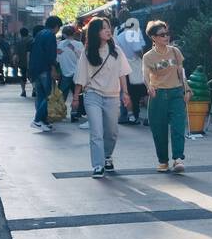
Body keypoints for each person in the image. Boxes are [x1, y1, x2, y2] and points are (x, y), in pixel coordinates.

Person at [70, 16, 131, 179]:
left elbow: (123, 73)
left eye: (108, 27)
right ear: (96, 32)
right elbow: (81, 77)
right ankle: (98, 165)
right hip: (92, 95)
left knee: (112, 132)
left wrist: (125, 93)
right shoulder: (87, 52)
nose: (108, 30)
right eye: (104, 28)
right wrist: (76, 98)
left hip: (112, 96)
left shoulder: (116, 51)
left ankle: (107, 156)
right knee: (96, 131)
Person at [142, 20, 191, 172]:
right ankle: (163, 160)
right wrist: (149, 86)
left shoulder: (175, 52)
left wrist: (187, 89)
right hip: (158, 95)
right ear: (153, 37)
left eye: (167, 33)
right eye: (162, 34)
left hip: (176, 93)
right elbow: (145, 74)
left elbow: (181, 73)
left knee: (178, 126)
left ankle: (177, 159)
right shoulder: (148, 56)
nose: (166, 37)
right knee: (159, 130)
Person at [28, 15, 61, 131]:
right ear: (56, 26)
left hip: (36, 69)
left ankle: (42, 121)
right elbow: (50, 54)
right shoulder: (50, 35)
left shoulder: (40, 34)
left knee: (41, 96)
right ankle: (37, 120)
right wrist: (53, 69)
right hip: (45, 69)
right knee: (49, 96)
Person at [115, 18, 147, 125]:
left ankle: (129, 115)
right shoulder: (134, 34)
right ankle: (143, 116)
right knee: (142, 92)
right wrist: (144, 59)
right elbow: (137, 50)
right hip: (136, 67)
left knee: (127, 91)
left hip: (123, 67)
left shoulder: (119, 37)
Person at [56, 24, 84, 122]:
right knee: (77, 95)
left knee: (62, 94)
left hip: (65, 73)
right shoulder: (79, 44)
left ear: (63, 34)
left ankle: (60, 113)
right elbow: (82, 58)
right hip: (78, 73)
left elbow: (58, 60)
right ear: (74, 33)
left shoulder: (60, 45)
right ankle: (75, 114)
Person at [14, 27, 33, 96]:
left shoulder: (19, 42)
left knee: (22, 77)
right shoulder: (32, 40)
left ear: (20, 34)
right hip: (31, 62)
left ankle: (23, 91)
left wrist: (15, 63)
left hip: (22, 63)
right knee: (32, 77)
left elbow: (16, 54)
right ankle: (34, 89)